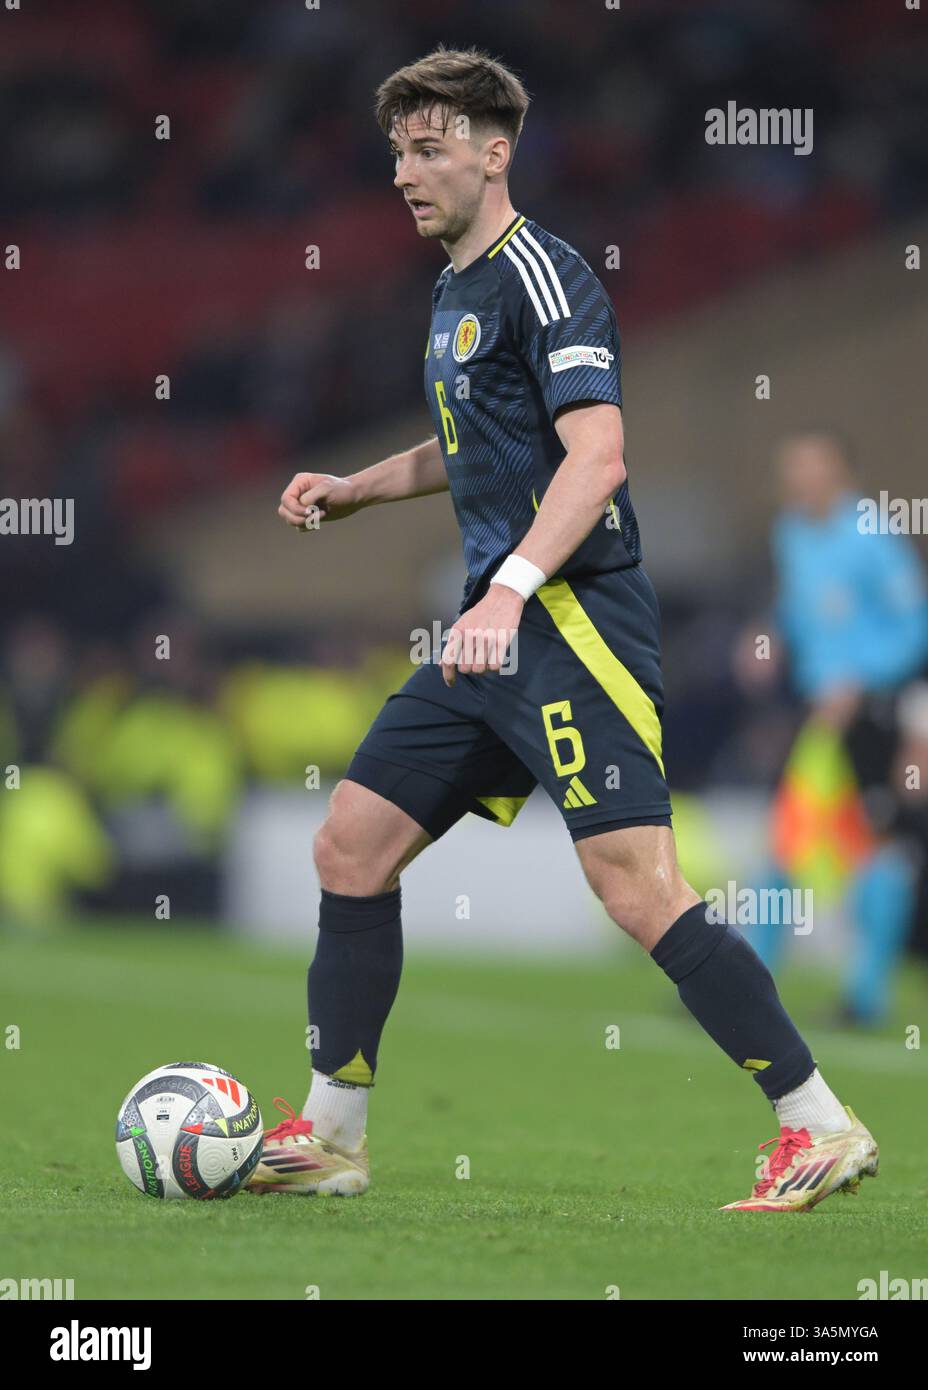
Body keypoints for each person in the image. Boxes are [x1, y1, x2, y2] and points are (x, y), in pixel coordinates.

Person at [249, 47, 878, 1211]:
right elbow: (475, 452)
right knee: (350, 841)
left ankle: (818, 1122)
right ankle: (333, 1135)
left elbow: (598, 457)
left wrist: (508, 591)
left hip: (568, 618)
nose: (404, 171)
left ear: (496, 154)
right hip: (492, 631)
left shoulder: (547, 276)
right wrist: (354, 487)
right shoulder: (452, 293)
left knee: (637, 886)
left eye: (429, 147)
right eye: (396, 150)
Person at [741, 431, 928, 1022]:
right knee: (786, 838)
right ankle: (746, 984)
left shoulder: (874, 536)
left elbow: (915, 627)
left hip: (872, 712)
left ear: (843, 473)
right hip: (818, 712)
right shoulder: (791, 533)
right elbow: (799, 612)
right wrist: (767, 639)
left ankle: (866, 994)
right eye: (792, 468)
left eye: (813, 468)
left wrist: (861, 679)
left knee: (874, 843)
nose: (800, 479)